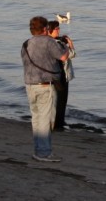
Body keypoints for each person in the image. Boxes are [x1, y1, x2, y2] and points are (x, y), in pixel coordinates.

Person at [21, 15, 69, 162]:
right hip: (45, 85)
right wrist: (66, 46)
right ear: (44, 29)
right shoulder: (48, 42)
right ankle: (44, 152)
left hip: (30, 84)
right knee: (45, 120)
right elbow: (63, 57)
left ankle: (38, 149)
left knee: (36, 118)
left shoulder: (26, 44)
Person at [47, 20, 76, 132]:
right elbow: (72, 54)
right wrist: (69, 42)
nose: (58, 30)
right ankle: (58, 122)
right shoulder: (57, 43)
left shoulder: (50, 42)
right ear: (50, 30)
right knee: (60, 99)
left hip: (56, 74)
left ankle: (59, 121)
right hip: (60, 75)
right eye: (56, 29)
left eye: (58, 28)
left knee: (59, 100)